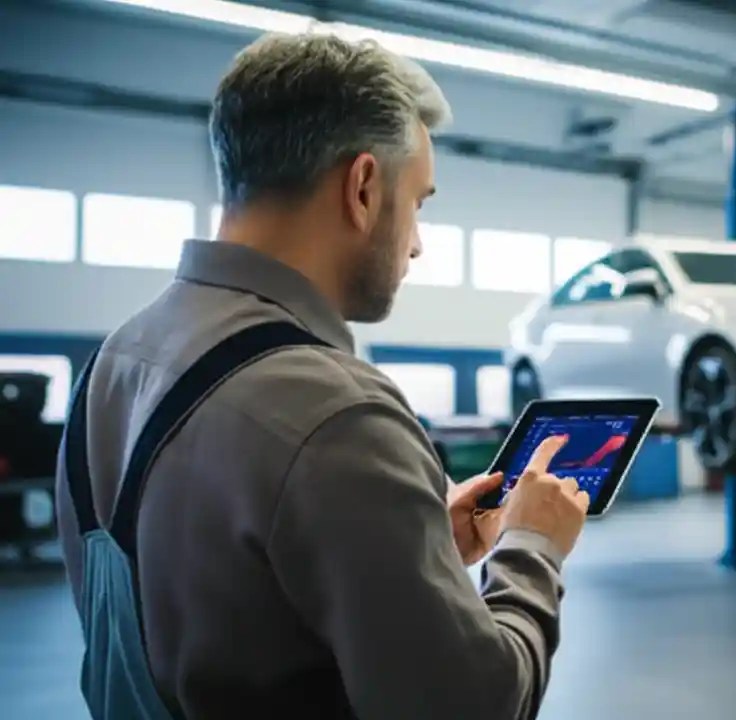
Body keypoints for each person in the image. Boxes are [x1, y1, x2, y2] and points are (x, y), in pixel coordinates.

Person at [55, 31, 590, 720]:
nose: (418, 244)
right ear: (363, 187)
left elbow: (220, 612)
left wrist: (410, 556)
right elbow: (476, 707)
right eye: (419, 203)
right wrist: (531, 549)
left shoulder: (116, 361)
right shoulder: (336, 414)